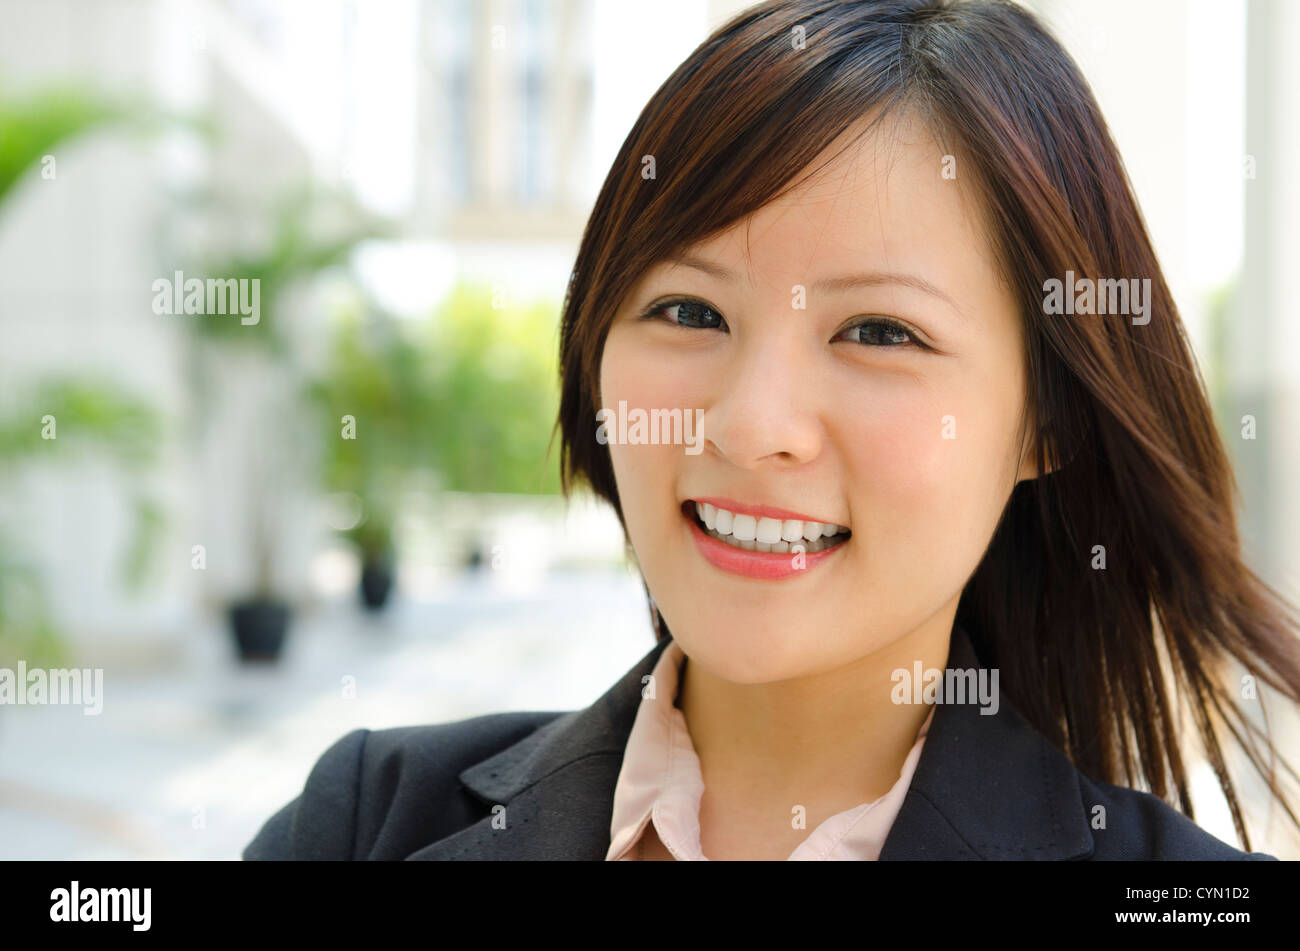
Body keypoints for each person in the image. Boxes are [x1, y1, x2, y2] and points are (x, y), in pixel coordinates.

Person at [243, 0, 1300, 861]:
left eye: (879, 332)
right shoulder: (366, 826)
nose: (752, 428)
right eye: (689, 312)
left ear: (1047, 420)